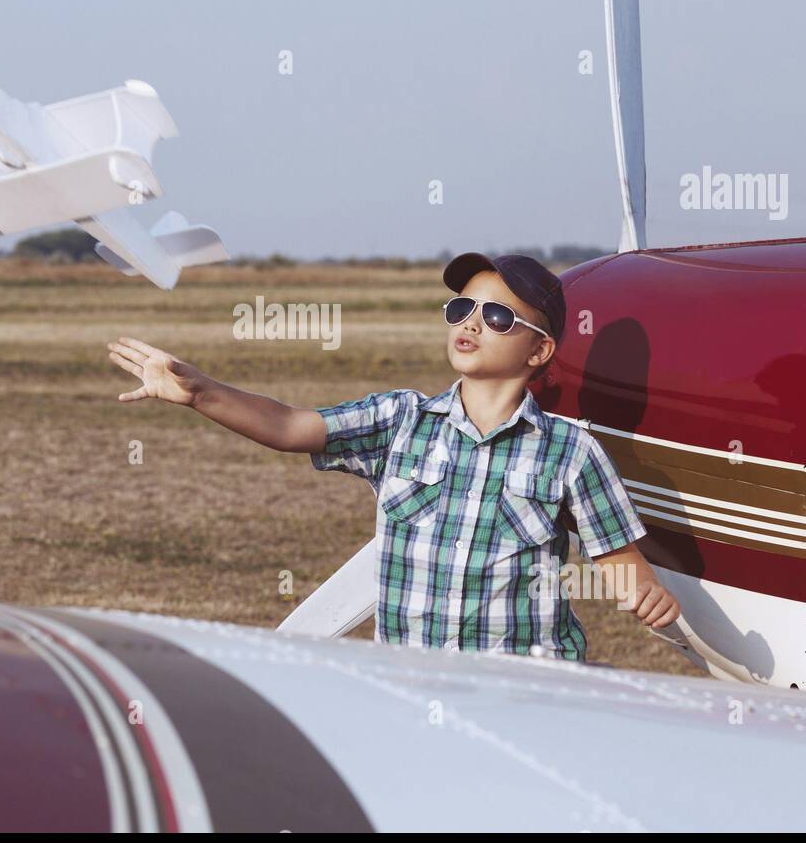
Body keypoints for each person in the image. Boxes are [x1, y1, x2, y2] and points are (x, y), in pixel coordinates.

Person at [106, 251, 680, 660]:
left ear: (540, 349)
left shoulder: (570, 451)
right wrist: (200, 391)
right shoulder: (398, 421)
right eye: (461, 310)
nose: (472, 323)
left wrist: (645, 596)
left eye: (498, 317)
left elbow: (620, 566)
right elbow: (288, 425)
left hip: (525, 693)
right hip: (414, 688)